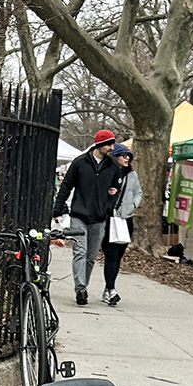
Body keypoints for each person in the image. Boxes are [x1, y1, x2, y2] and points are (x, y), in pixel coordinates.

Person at [54, 128, 121, 305]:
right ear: (99, 144)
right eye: (109, 144)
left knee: (91, 256)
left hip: (99, 217)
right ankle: (80, 288)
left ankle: (84, 286)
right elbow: (66, 185)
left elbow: (115, 190)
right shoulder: (80, 162)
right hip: (79, 215)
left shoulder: (113, 166)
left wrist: (108, 207)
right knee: (79, 252)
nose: (112, 147)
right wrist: (58, 207)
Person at [102, 142, 141, 307]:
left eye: (128, 156)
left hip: (126, 218)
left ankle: (108, 288)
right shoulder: (106, 172)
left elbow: (138, 192)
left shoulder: (132, 175)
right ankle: (111, 289)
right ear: (115, 156)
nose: (127, 158)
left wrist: (133, 205)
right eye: (123, 155)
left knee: (118, 257)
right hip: (110, 218)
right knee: (110, 255)